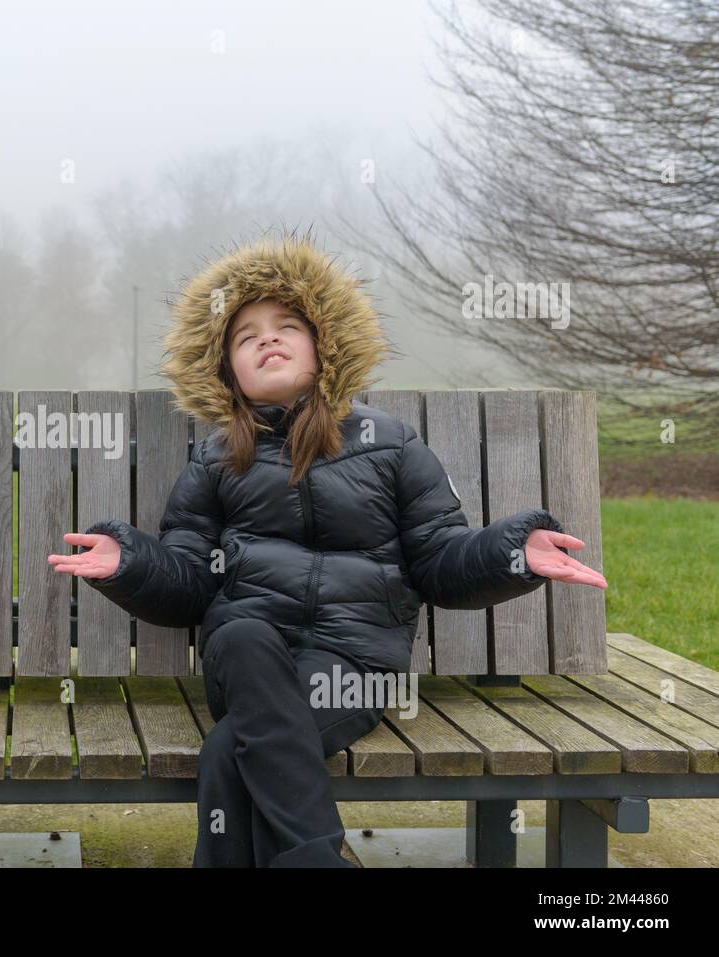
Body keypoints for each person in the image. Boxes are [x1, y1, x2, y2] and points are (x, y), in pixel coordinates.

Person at [47, 231, 608, 868]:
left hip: (353, 664)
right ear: (225, 367)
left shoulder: (391, 444)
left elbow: (438, 560)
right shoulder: (214, 461)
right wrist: (131, 563)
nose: (267, 338)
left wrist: (510, 551)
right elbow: (190, 581)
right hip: (251, 660)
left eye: (287, 324)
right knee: (235, 635)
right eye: (245, 334)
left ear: (325, 345)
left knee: (229, 753)